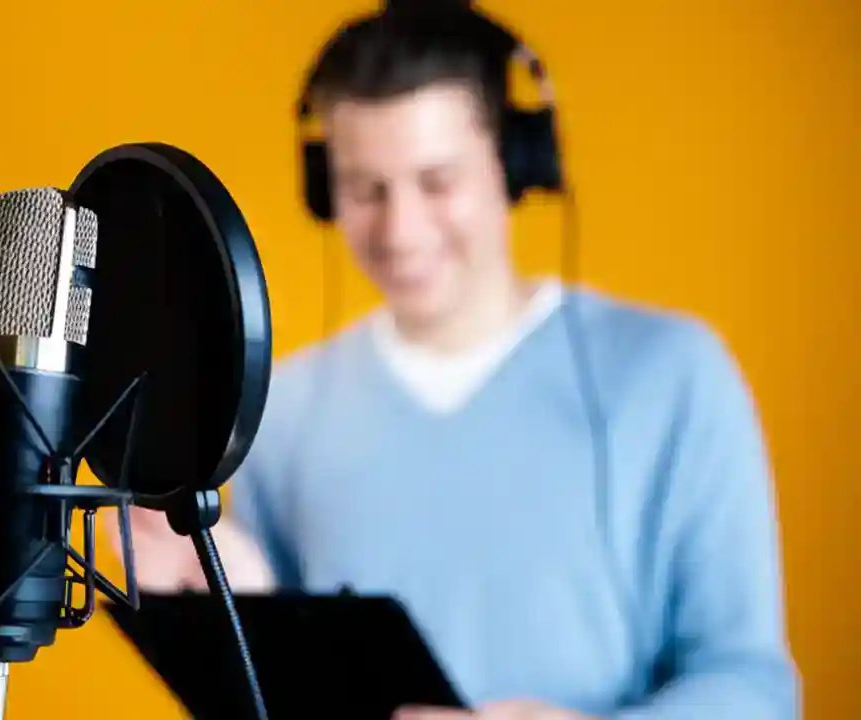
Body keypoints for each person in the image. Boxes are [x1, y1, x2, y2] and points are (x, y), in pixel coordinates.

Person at [110, 6, 799, 719]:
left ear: (515, 164)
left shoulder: (673, 375)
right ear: (324, 190)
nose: (400, 230)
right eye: (363, 189)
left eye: (437, 182)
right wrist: (218, 605)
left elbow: (754, 687)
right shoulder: (278, 411)